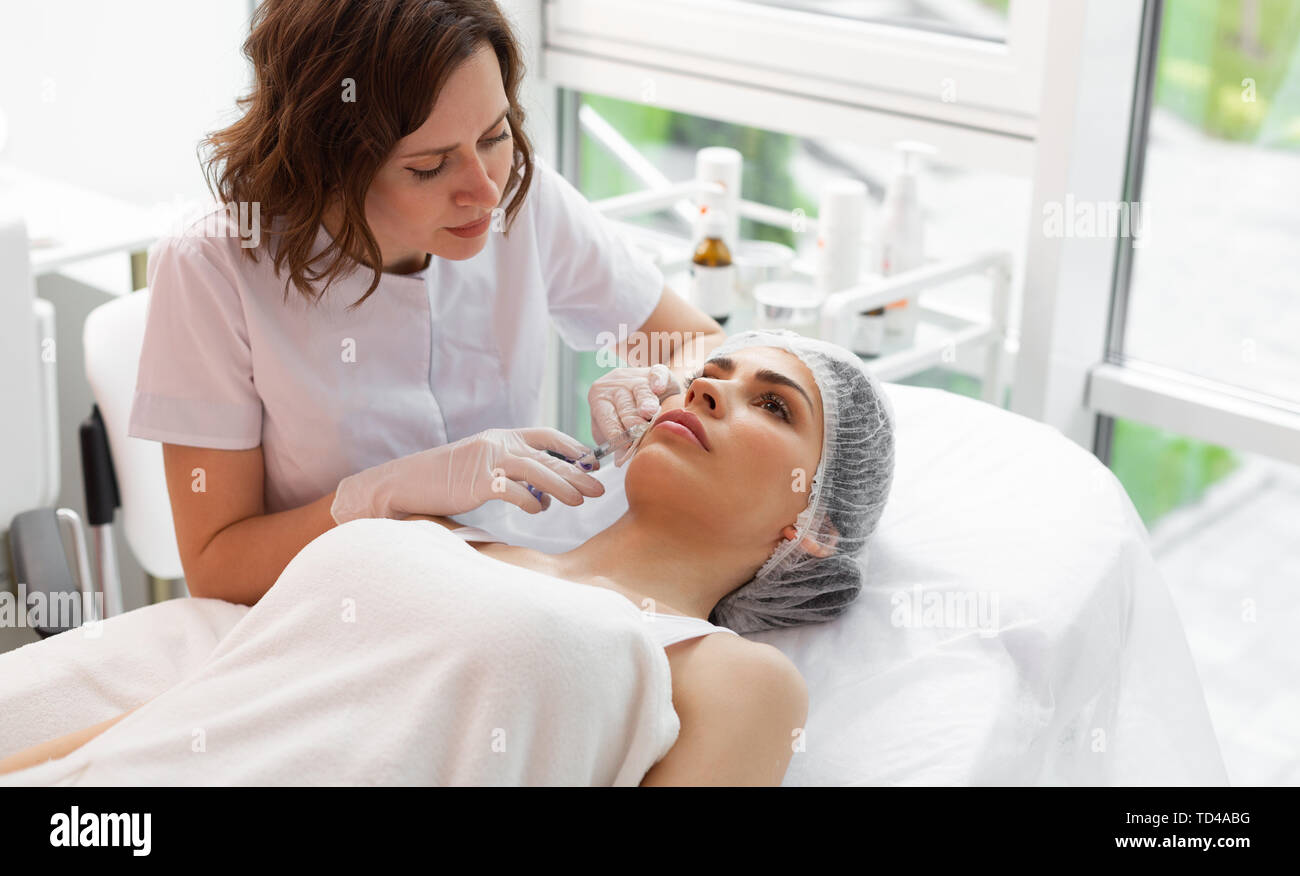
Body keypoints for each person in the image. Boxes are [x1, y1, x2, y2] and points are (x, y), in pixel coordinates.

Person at [0, 331, 896, 786]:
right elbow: (203, 709)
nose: (709, 384)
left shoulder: (730, 676)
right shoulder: (453, 531)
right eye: (717, 370)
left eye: (772, 407)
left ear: (809, 528)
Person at [128, 0, 725, 607]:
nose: (483, 189)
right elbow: (219, 566)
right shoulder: (215, 267)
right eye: (427, 166)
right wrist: (386, 494)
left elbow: (699, 341)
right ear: (329, 162)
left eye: (494, 135)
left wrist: (650, 379)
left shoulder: (521, 200)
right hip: (329, 619)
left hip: (505, 591)